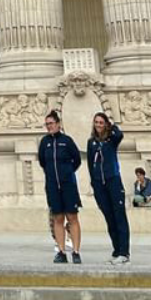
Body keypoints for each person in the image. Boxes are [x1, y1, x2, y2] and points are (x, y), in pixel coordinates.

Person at [84, 111, 131, 263]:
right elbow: (91, 164)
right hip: (99, 184)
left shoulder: (111, 139)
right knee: (109, 218)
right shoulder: (91, 142)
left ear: (105, 125)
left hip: (113, 181)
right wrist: (94, 182)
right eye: (96, 122)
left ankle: (124, 252)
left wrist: (111, 124)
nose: (98, 125)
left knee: (119, 217)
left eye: (101, 122)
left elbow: (119, 134)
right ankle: (116, 250)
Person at [37, 110, 83, 264]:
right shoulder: (44, 142)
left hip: (68, 185)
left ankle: (76, 251)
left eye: (51, 123)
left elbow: (76, 160)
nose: (49, 127)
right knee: (57, 218)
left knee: (72, 217)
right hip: (52, 185)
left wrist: (67, 173)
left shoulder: (67, 141)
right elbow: (43, 161)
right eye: (47, 124)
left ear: (58, 124)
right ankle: (61, 251)